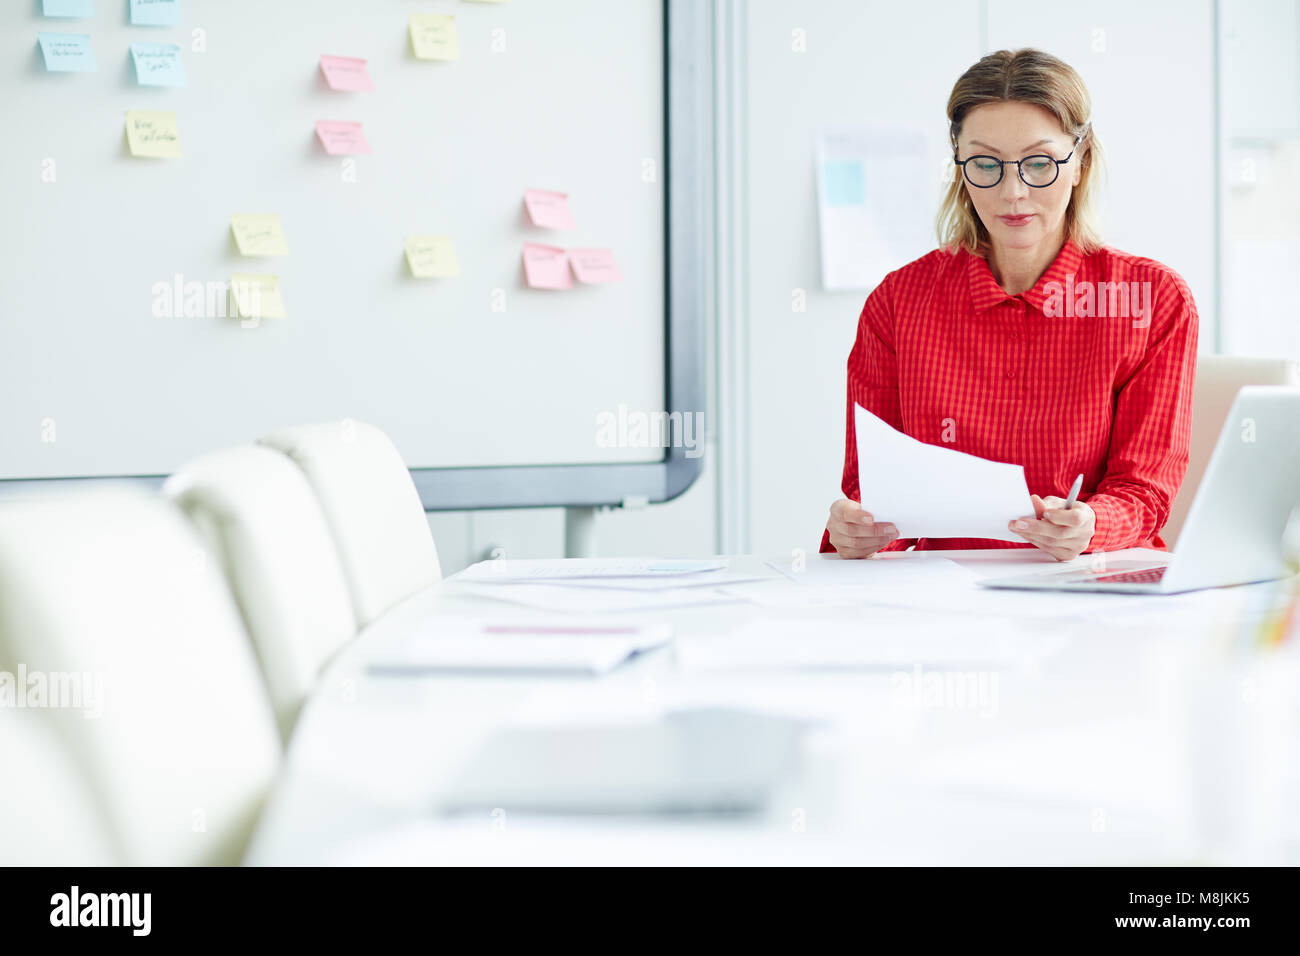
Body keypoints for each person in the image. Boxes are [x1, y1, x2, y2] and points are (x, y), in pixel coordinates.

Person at [822, 48, 1198, 562]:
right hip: (941, 594)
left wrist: (1091, 524)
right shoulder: (897, 302)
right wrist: (858, 529)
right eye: (985, 164)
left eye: (1040, 163)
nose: (1012, 191)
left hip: (1092, 586)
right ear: (959, 165)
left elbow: (1147, 491)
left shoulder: (1152, 301)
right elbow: (872, 494)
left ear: (1080, 163)